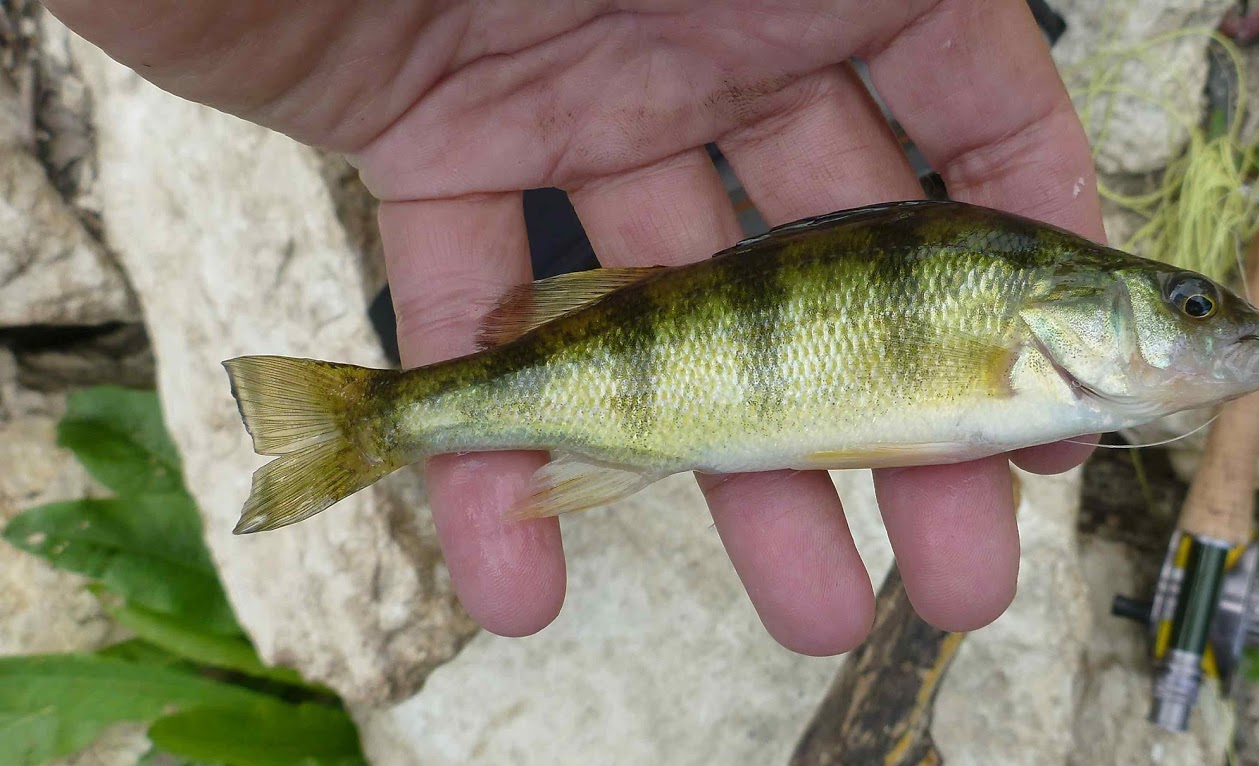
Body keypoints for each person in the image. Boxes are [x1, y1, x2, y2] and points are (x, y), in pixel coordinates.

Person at [46, 0, 1106, 656]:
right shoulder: (1011, 304)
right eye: (1188, 305)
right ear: (1087, 300)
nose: (1210, 321)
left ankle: (383, 417)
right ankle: (376, 418)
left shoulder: (1022, 315)